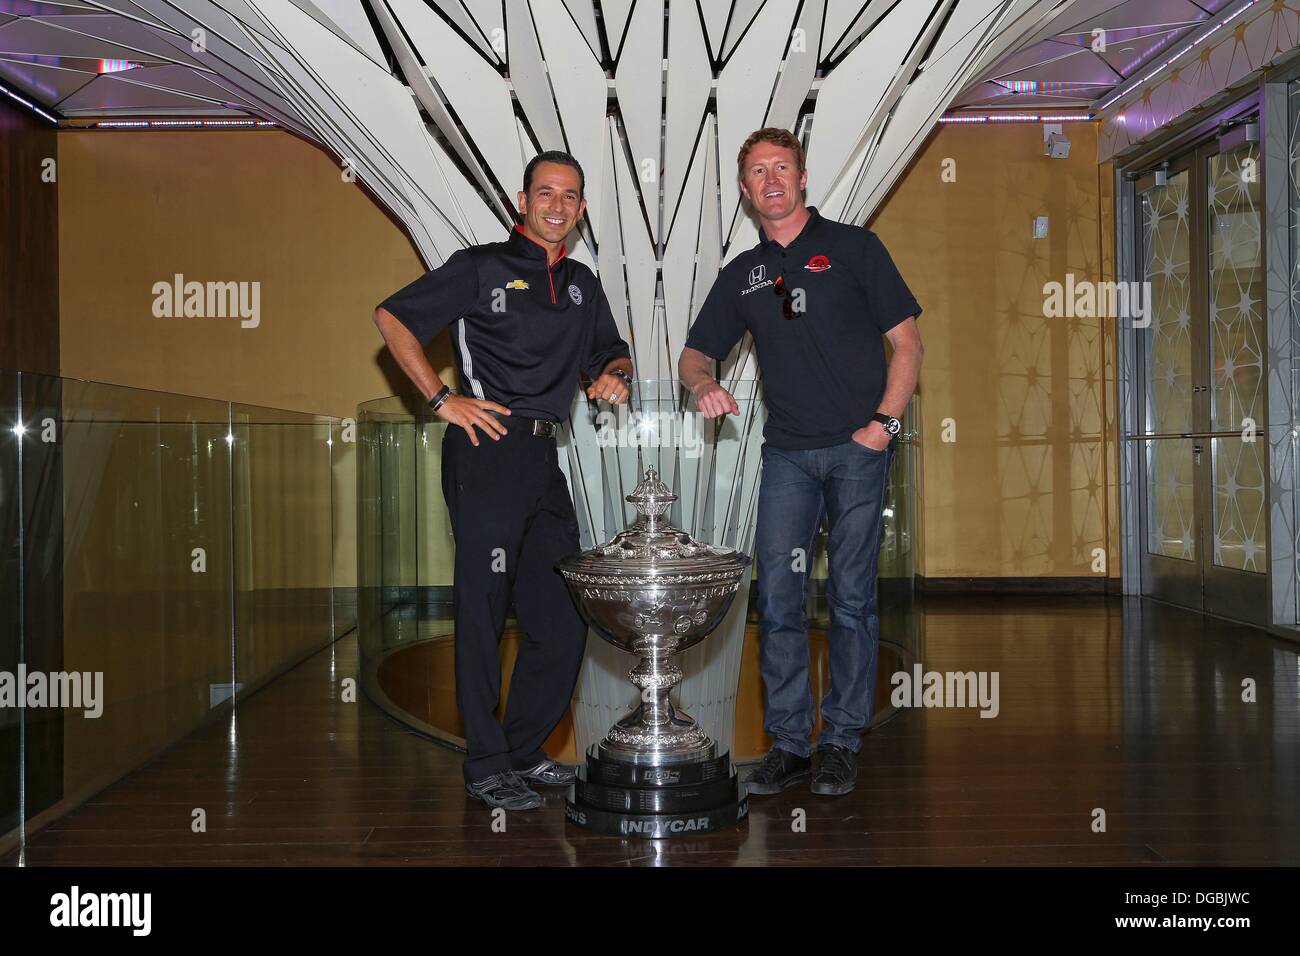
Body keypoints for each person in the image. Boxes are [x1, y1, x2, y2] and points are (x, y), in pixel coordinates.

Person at [373, 150, 634, 810]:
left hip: (545, 460)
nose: (557, 204)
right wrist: (440, 399)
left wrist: (617, 375)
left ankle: (522, 748)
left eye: (570, 195)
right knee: (484, 611)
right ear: (523, 202)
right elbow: (392, 319)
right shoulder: (480, 266)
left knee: (563, 617)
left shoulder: (581, 283)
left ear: (580, 210)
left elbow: (613, 349)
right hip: (485, 452)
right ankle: (486, 762)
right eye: (545, 192)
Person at [677, 127, 923, 796]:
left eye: (781, 167)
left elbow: (907, 345)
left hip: (856, 451)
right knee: (780, 600)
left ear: (803, 176)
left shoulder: (854, 248)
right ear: (746, 191)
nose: (771, 180)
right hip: (785, 456)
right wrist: (703, 384)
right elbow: (694, 355)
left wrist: (884, 425)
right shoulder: (743, 276)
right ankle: (790, 741)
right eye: (757, 172)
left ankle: (840, 738)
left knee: (849, 599)